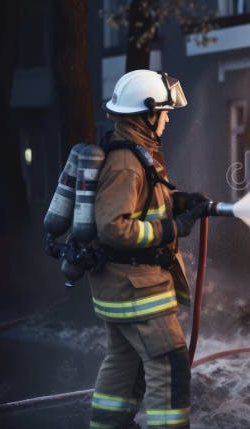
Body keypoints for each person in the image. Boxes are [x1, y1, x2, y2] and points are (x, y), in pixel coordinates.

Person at [89, 69, 208, 429]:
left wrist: (181, 202)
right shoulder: (127, 164)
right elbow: (113, 227)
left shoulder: (136, 155)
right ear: (147, 113)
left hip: (121, 287)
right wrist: (171, 228)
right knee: (170, 362)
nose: (168, 119)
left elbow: (147, 201)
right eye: (165, 112)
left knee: (124, 362)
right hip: (136, 288)